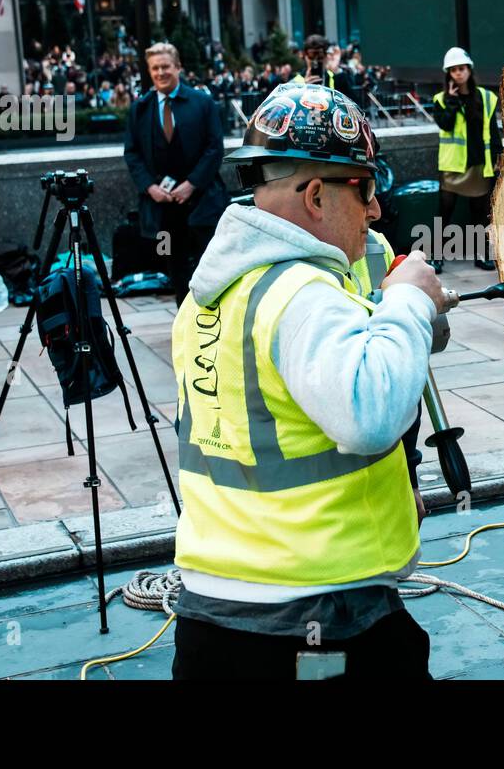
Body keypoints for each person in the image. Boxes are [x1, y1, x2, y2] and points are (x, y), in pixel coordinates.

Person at [169, 82, 443, 680]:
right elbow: (369, 413)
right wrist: (409, 306)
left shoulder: (211, 296)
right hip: (310, 614)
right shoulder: (301, 295)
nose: (374, 209)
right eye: (365, 189)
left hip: (211, 616)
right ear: (318, 195)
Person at [122, 42, 230, 303]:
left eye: (165, 67)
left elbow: (215, 148)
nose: (160, 73)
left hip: (203, 203)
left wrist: (192, 184)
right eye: (155, 68)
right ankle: (184, 320)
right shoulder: (140, 108)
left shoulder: (203, 103)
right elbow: (132, 152)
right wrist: (150, 187)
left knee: (210, 263)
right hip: (163, 208)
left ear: (178, 67)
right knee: (173, 264)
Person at [431, 47, 502, 273]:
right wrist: (451, 100)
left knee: (479, 213)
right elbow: (445, 124)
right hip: (452, 166)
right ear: (448, 74)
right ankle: (435, 255)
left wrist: (499, 157)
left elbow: (492, 131)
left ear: (469, 70)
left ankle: (482, 254)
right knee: (444, 211)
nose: (458, 74)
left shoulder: (487, 98)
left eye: (461, 69)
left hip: (479, 164)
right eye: (453, 70)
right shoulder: (441, 99)